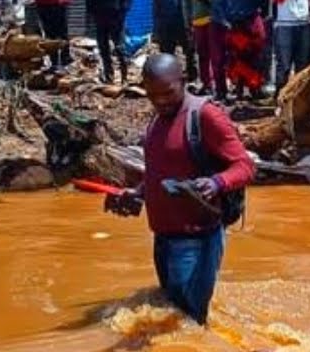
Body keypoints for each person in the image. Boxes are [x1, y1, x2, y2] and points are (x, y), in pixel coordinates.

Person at [102, 54, 254, 325]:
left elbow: (244, 166)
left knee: (189, 321)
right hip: (163, 238)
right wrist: (137, 194)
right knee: (173, 316)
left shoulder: (205, 115)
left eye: (167, 93)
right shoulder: (157, 119)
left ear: (183, 82)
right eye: (153, 95)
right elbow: (159, 173)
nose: (160, 101)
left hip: (198, 239)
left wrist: (216, 182)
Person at [218, 0, 268, 99]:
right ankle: (239, 90)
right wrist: (227, 19)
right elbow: (222, 2)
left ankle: (255, 89)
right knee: (238, 58)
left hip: (253, 24)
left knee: (256, 58)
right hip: (237, 25)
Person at [189, 0, 227, 98]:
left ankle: (241, 89)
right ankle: (220, 90)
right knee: (216, 57)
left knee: (237, 54)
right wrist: (210, 2)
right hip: (214, 19)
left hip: (233, 18)